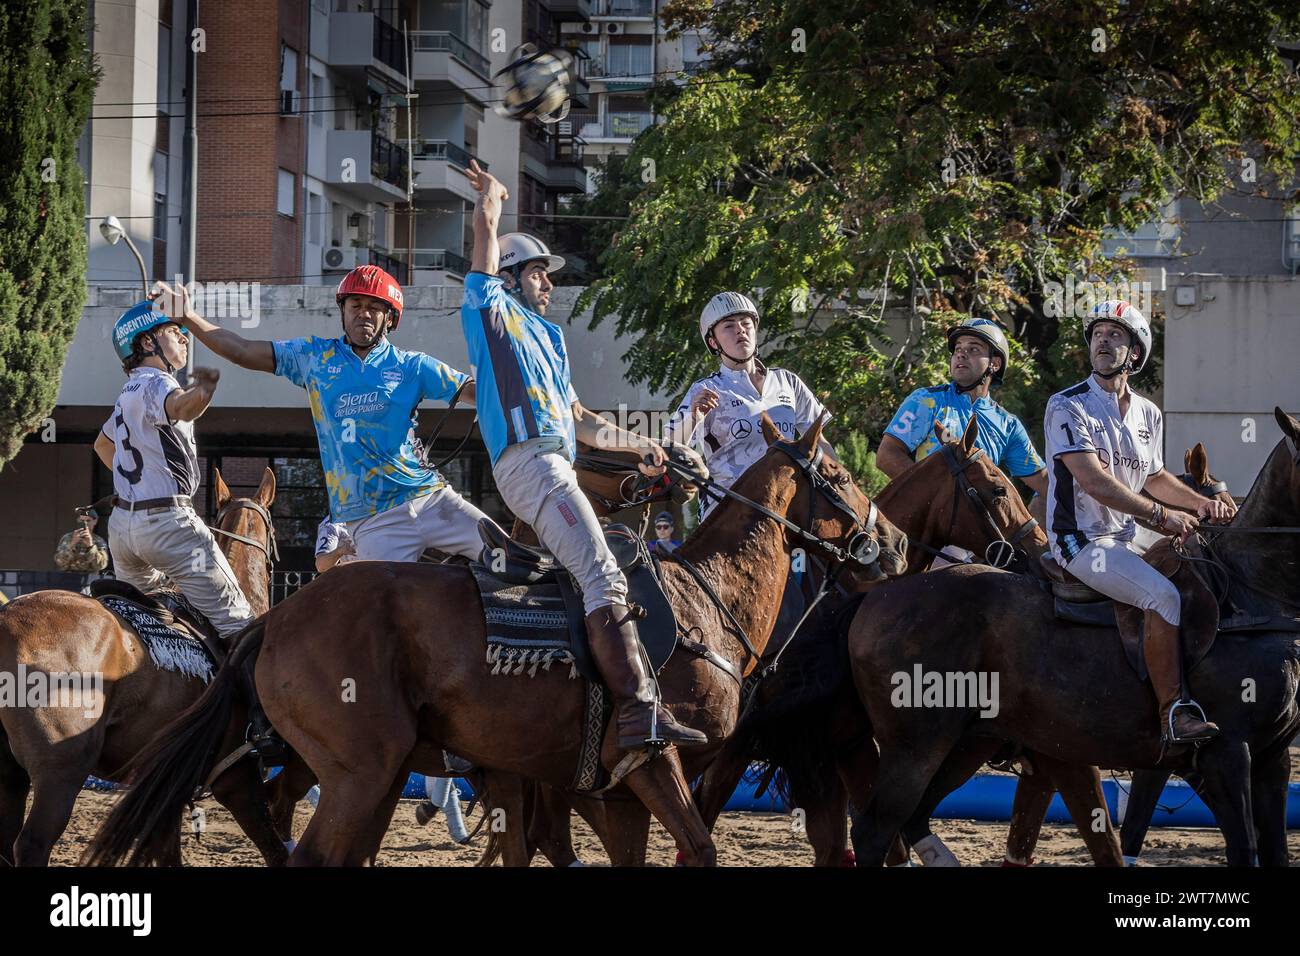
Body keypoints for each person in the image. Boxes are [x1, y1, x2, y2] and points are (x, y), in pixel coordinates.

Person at [462, 159, 705, 751]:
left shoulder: (550, 338)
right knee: (601, 575)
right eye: (540, 274)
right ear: (513, 277)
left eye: (548, 275)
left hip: (556, 462)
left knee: (599, 567)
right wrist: (491, 205)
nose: (549, 284)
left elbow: (584, 422)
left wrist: (643, 443)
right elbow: (482, 259)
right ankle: (636, 712)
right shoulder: (494, 315)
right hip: (529, 464)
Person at [153, 269, 491, 565]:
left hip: (431, 500)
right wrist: (188, 318)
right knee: (377, 622)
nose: (364, 314)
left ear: (390, 317)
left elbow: (481, 394)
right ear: (342, 311)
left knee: (508, 559)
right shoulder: (313, 357)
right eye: (355, 306)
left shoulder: (413, 366)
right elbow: (242, 349)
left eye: (374, 307)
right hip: (371, 519)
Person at [1044, 300, 1235, 744]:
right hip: (1080, 542)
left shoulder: (1149, 413)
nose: (1103, 342)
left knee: (1201, 572)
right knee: (1165, 597)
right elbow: (1094, 482)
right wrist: (1162, 515)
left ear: (1135, 353)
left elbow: (1155, 477)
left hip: (1126, 538)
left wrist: (1200, 503)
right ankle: (1173, 712)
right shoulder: (1066, 404)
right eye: (1097, 335)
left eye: (1115, 336)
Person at [95, 300, 265, 745]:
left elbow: (102, 446)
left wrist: (136, 485)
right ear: (148, 342)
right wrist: (205, 388)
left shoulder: (126, 392)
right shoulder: (156, 382)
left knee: (150, 629)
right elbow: (184, 407)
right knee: (243, 628)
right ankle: (263, 731)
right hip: (169, 525)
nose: (184, 336)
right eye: (175, 331)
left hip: (123, 530)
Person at [663, 291, 842, 520]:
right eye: (728, 326)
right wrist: (693, 418)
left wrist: (838, 484)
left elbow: (820, 443)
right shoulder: (704, 389)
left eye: (746, 323)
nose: (740, 330)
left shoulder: (787, 381)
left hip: (787, 506)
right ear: (713, 342)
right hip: (728, 510)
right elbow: (669, 447)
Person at [878, 318, 1049, 510]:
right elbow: (887, 455)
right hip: (925, 525)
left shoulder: (1008, 425)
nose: (960, 354)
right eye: (957, 349)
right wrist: (932, 495)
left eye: (973, 349)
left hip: (979, 531)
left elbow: (1045, 485)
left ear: (995, 363)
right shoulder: (926, 401)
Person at [54, 506, 109, 573]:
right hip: (68, 577)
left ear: (95, 521)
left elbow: (101, 565)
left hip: (89, 579)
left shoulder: (99, 541)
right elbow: (60, 562)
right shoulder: (67, 538)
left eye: (88, 521)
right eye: (82, 521)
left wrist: (90, 546)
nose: (86, 524)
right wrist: (72, 544)